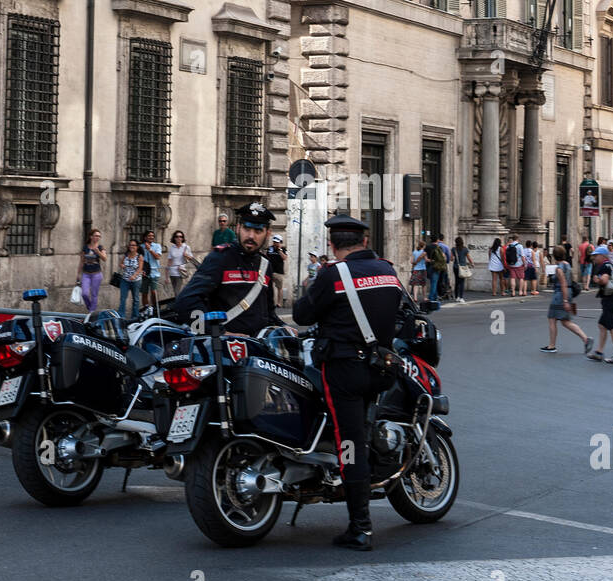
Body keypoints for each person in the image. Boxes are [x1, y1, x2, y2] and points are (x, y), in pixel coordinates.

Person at [292, 213, 406, 552]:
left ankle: (361, 528)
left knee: (350, 445)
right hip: (380, 366)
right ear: (365, 241)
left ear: (332, 244)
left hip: (343, 370)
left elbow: (301, 315)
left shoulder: (332, 274)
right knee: (365, 432)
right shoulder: (387, 270)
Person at [169, 203, 279, 336]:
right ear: (238, 228)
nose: (251, 236)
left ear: (267, 233)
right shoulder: (220, 258)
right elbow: (184, 303)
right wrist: (219, 333)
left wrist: (283, 327)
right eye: (247, 229)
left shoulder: (265, 265)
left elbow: (269, 313)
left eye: (258, 231)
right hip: (224, 350)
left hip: (258, 348)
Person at [541, 245, 592, 355]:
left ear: (554, 256)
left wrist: (564, 301)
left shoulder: (559, 269)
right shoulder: (567, 265)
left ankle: (552, 345)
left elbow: (563, 283)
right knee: (565, 321)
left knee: (552, 318)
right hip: (568, 293)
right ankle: (586, 339)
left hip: (560, 294)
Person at [586, 248, 613, 364]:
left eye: (596, 255)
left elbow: (604, 280)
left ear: (603, 256)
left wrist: (596, 279)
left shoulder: (604, 267)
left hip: (610, 299)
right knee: (602, 325)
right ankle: (599, 352)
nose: (594, 258)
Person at [75, 228, 106, 314]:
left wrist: (98, 252)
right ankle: (90, 309)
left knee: (94, 294)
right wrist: (78, 274)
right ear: (91, 236)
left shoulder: (100, 247)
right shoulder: (85, 247)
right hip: (86, 274)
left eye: (99, 236)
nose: (97, 237)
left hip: (97, 274)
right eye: (96, 235)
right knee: (84, 294)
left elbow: (104, 258)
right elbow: (81, 261)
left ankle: (91, 312)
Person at [117, 238, 143, 321]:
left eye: (133, 245)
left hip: (136, 281)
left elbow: (140, 268)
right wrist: (122, 265)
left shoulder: (139, 256)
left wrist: (134, 276)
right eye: (130, 245)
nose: (131, 246)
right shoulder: (126, 255)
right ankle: (121, 316)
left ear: (137, 247)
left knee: (136, 299)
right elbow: (120, 263)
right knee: (123, 298)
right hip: (125, 280)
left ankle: (135, 317)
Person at [166, 230, 197, 299]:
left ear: (182, 238)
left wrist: (186, 255)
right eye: (177, 236)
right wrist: (166, 276)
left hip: (180, 272)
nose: (179, 238)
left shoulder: (186, 247)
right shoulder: (172, 248)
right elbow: (169, 261)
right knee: (175, 291)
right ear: (174, 238)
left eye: (180, 236)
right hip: (172, 272)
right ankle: (178, 305)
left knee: (177, 292)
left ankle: (178, 307)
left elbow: (191, 259)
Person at [423, 237, 446, 307]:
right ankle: (431, 298)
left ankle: (435, 297)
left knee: (433, 281)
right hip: (437, 267)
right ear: (437, 240)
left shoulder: (427, 247)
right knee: (434, 282)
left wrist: (429, 260)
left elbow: (424, 255)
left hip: (430, 266)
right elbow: (444, 257)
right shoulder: (439, 247)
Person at [452, 236, 472, 302]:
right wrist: (472, 263)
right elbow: (468, 257)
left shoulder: (453, 249)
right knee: (462, 282)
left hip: (456, 267)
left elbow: (451, 259)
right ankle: (461, 297)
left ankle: (456, 297)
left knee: (457, 282)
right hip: (463, 267)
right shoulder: (465, 249)